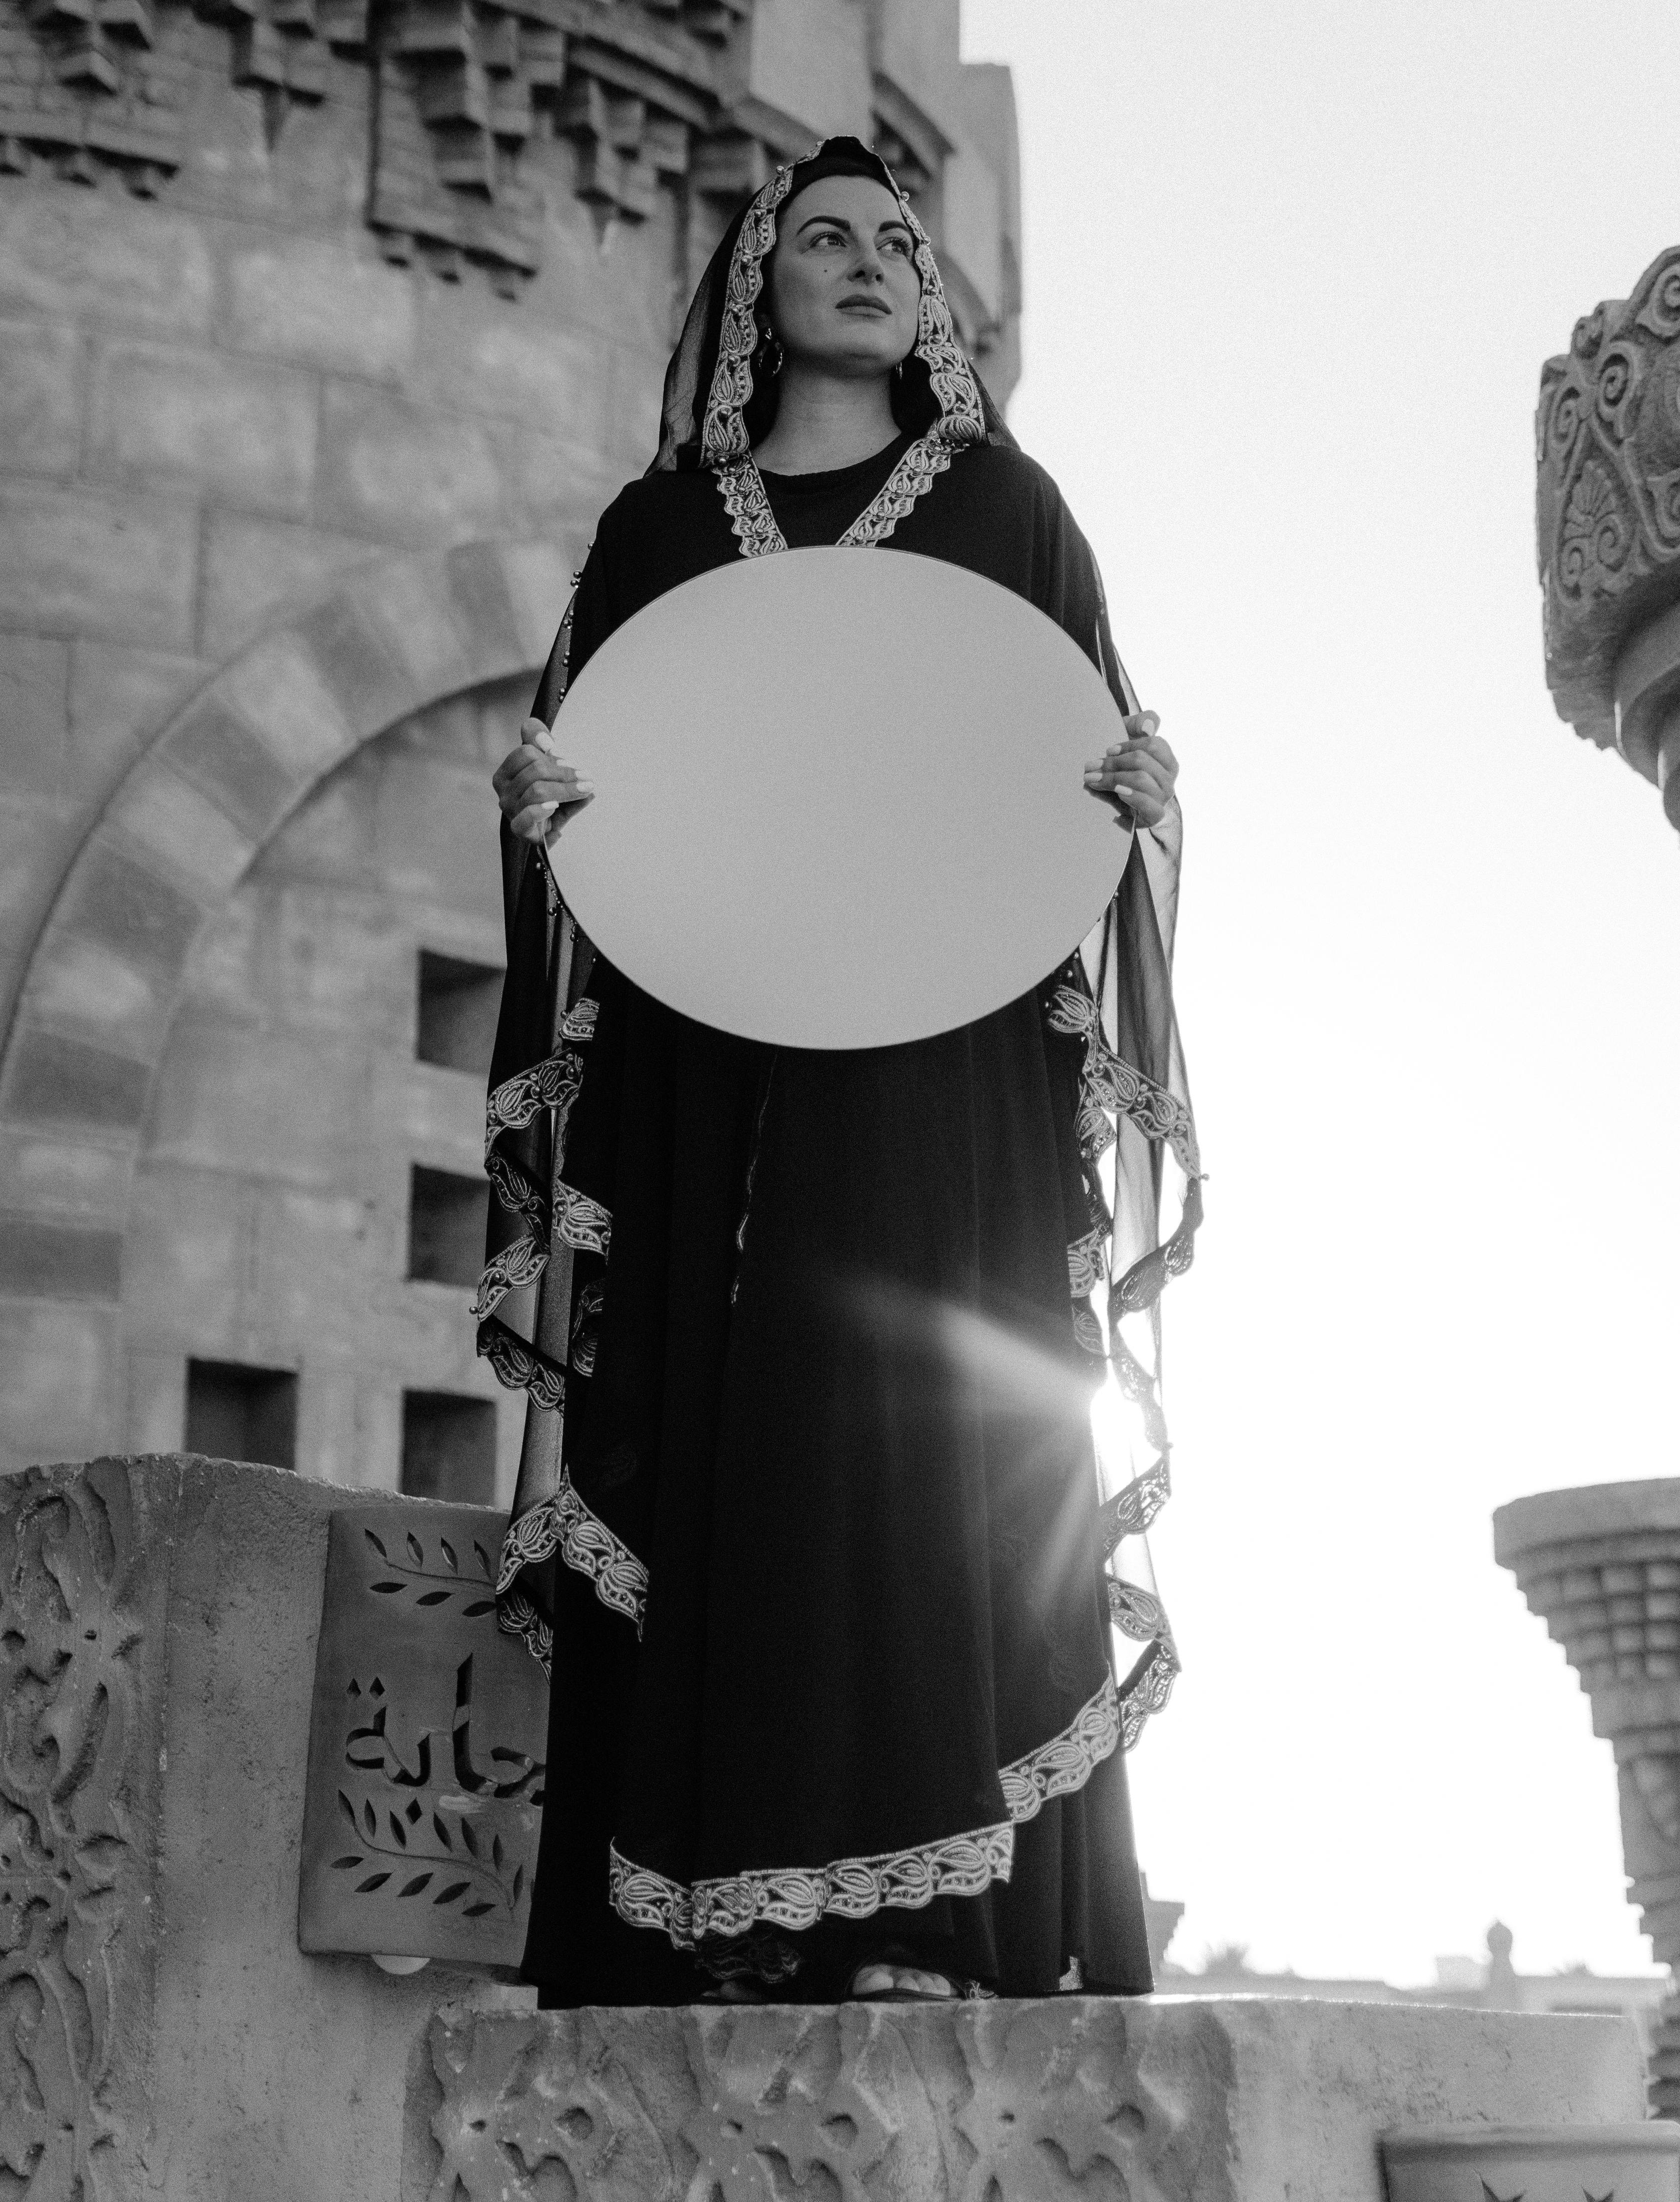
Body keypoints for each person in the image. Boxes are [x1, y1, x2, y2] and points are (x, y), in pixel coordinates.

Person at [478, 135, 1200, 2004]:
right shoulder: (657, 532)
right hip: (714, 1055)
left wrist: (1134, 801)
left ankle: (930, 1925)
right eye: (827, 240)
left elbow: (1075, 770)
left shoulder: (1007, 510)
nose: (872, 265)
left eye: (900, 244)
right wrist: (545, 808)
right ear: (757, 287)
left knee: (917, 1425)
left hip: (937, 1066)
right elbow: (609, 781)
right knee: (730, 1420)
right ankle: (710, 1919)